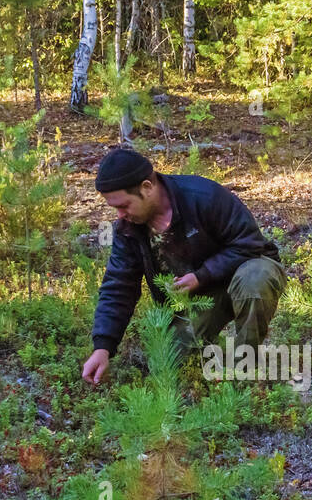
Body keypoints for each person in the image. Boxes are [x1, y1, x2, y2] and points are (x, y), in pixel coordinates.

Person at [81, 149, 286, 384]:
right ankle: (211, 356)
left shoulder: (203, 196)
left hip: (245, 270)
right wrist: (103, 347)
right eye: (114, 208)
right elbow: (119, 286)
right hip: (199, 298)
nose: (120, 215)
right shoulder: (128, 229)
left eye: (124, 205)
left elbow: (250, 244)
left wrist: (201, 275)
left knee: (255, 281)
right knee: (170, 364)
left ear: (147, 187)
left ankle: (242, 374)